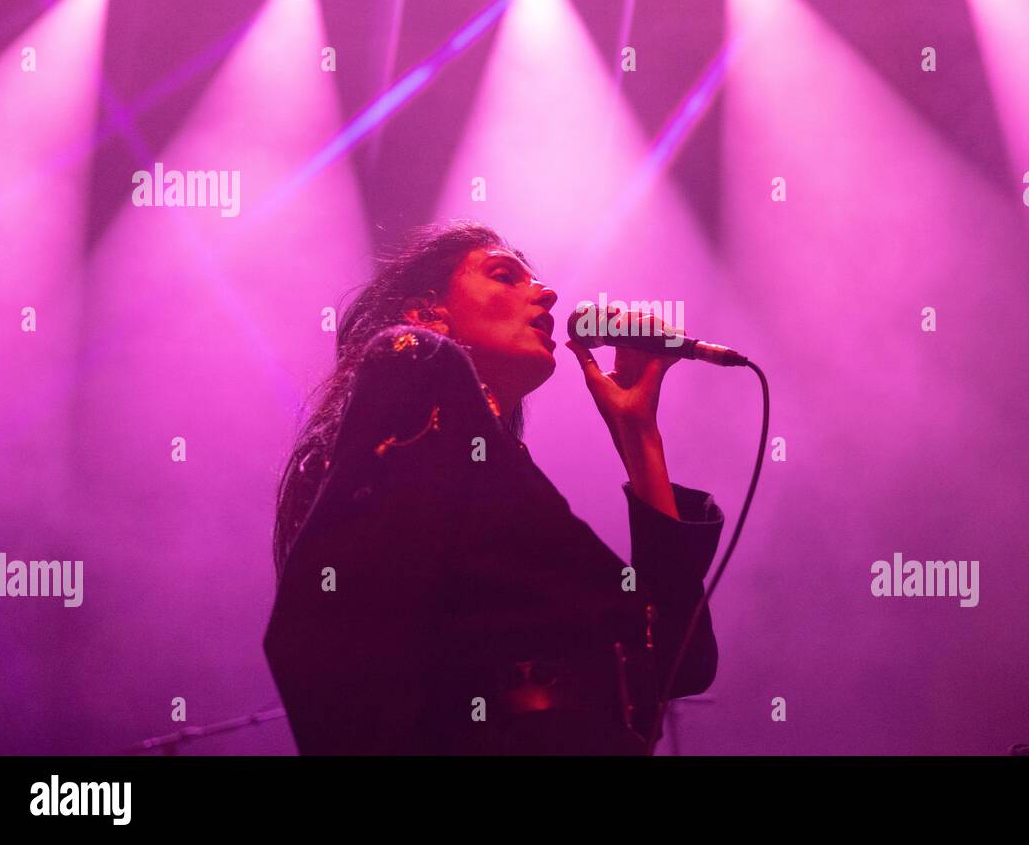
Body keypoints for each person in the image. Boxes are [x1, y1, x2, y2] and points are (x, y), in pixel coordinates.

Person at [263, 220, 725, 754]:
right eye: (505, 276)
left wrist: (638, 434)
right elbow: (320, 642)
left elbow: (680, 663)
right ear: (427, 314)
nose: (549, 293)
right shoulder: (409, 366)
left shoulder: (505, 480)